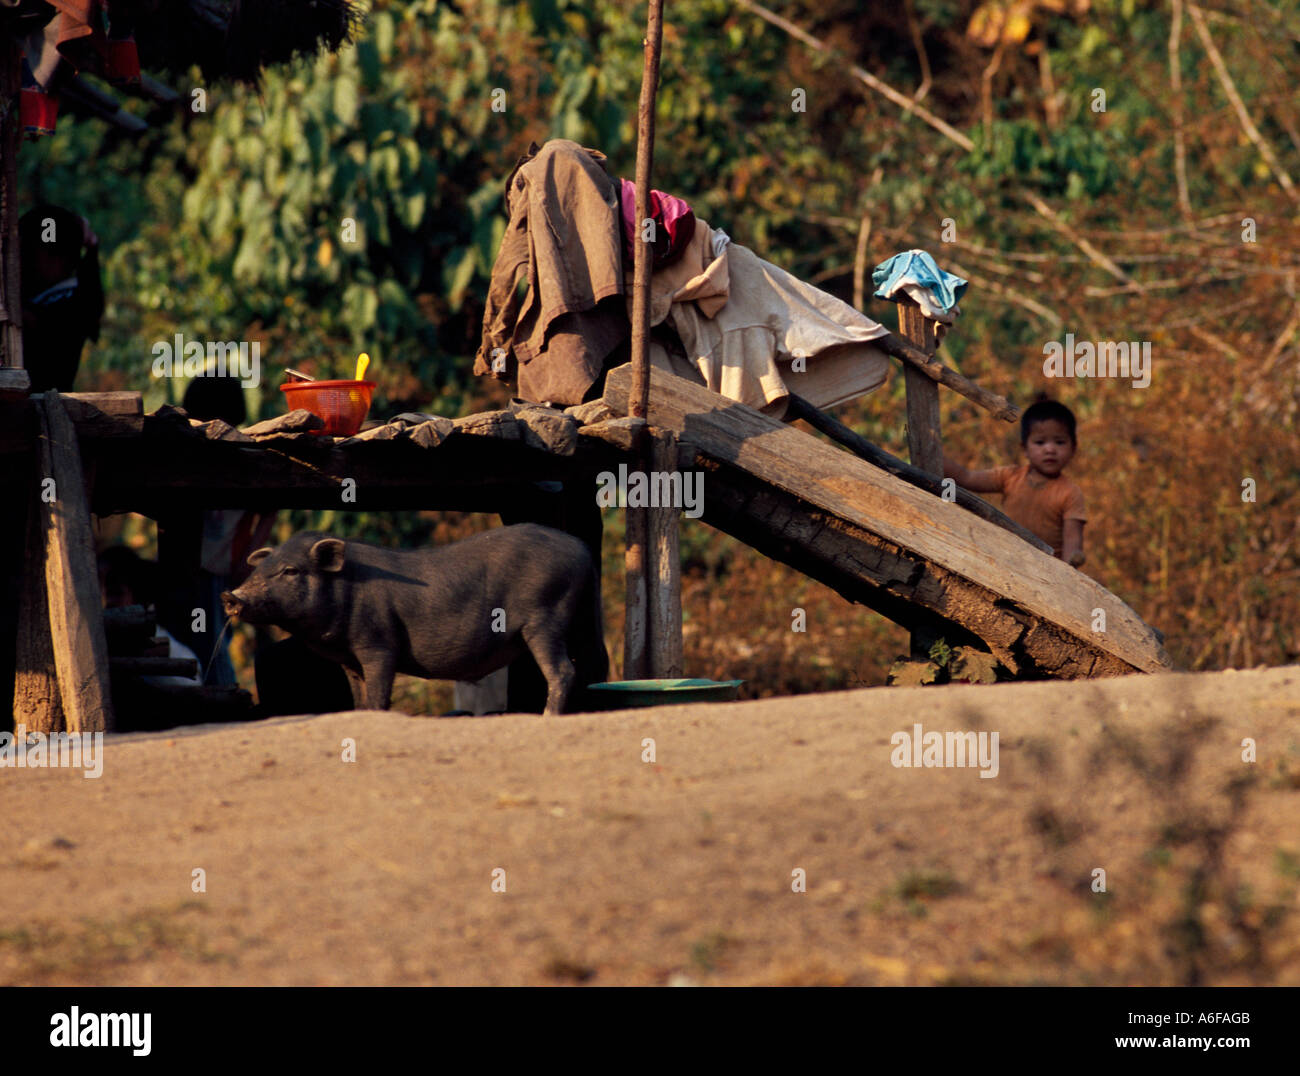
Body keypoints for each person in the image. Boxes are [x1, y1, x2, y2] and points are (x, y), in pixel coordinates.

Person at [943, 398, 1086, 566]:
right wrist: (933, 451)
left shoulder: (1070, 493)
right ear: (1024, 448)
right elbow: (967, 478)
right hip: (1005, 561)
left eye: (1059, 442)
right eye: (1040, 442)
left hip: (1048, 572)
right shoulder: (1010, 476)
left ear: (1073, 448)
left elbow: (1072, 542)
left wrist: (1071, 566)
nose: (1050, 449)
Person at [19, 203, 104, 392]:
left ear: (64, 258)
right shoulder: (38, 296)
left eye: (46, 253)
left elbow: (36, 323)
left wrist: (91, 245)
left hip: (46, 405)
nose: (26, 259)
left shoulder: (74, 303)